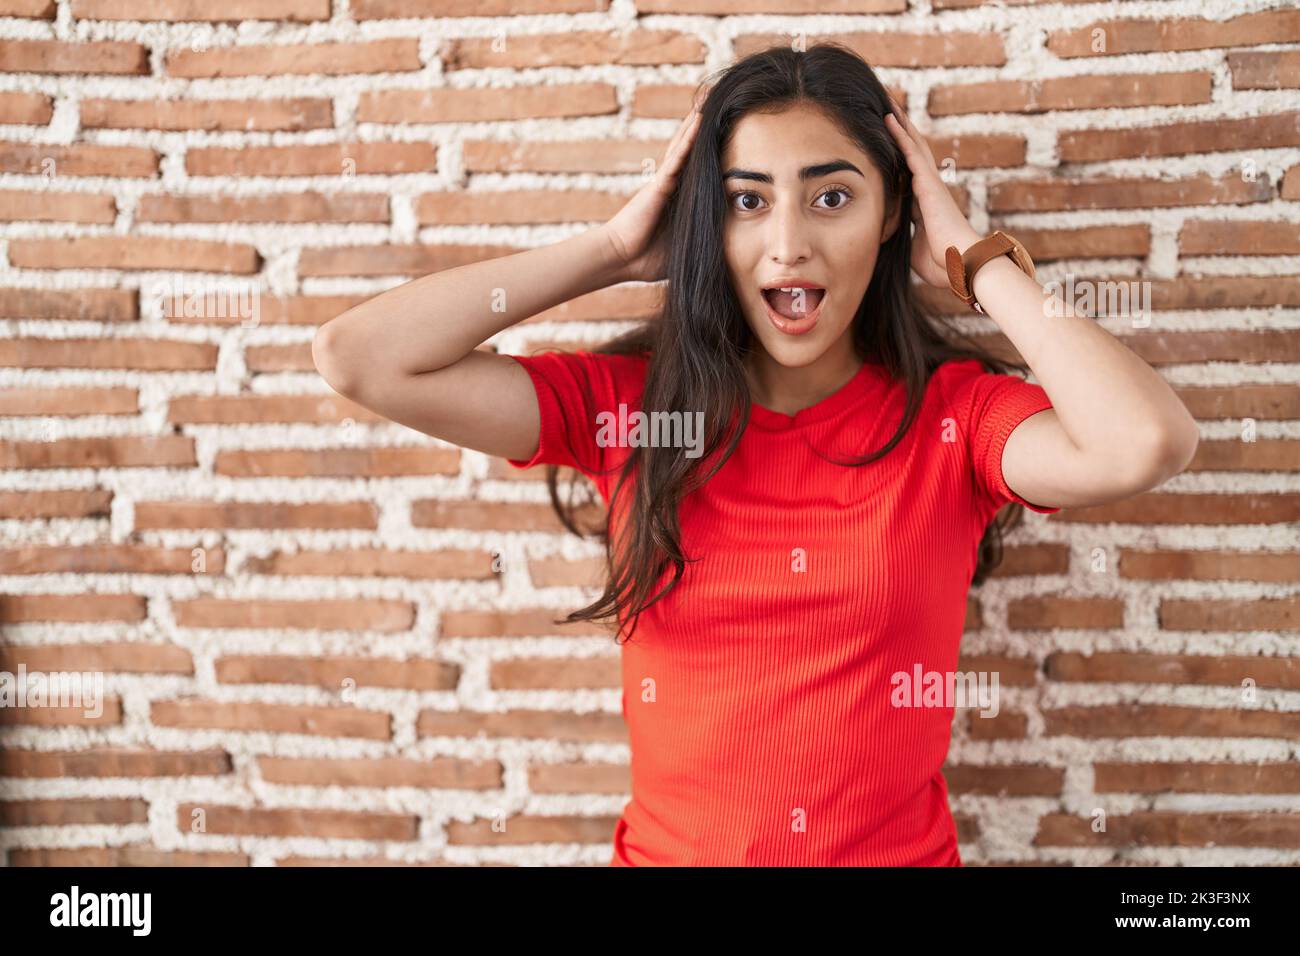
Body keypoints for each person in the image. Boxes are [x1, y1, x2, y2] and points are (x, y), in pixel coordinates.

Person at [312, 43, 1200, 866]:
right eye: (746, 201)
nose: (788, 244)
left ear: (895, 215)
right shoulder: (632, 411)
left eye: (832, 196)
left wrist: (978, 262)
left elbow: (1145, 440)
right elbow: (359, 357)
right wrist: (616, 250)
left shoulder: (955, 419)